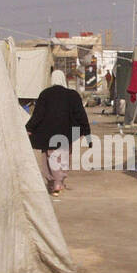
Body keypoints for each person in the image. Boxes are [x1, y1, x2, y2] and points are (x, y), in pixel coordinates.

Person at [26, 69, 92, 197]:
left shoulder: (45, 94)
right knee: (63, 157)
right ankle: (59, 182)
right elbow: (81, 115)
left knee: (49, 157)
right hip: (66, 134)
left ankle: (54, 183)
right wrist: (87, 133)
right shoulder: (72, 95)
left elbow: (38, 115)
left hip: (47, 134)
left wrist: (29, 128)